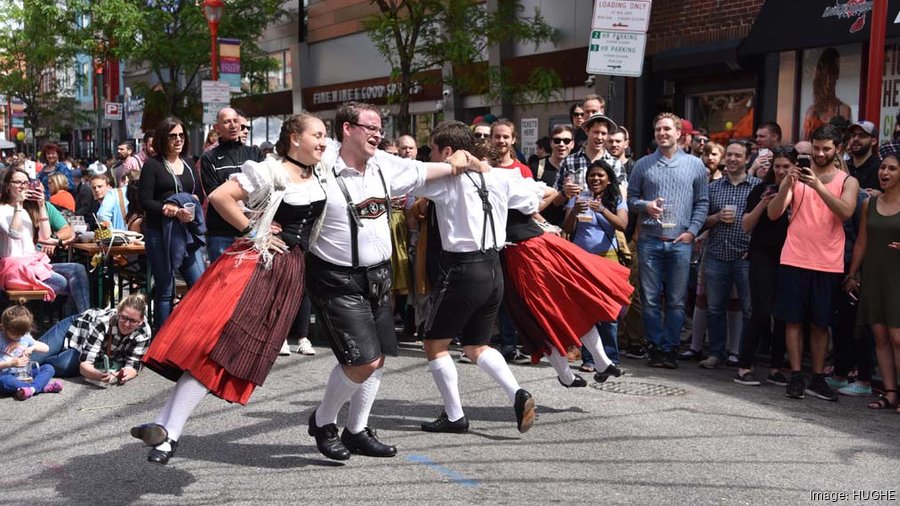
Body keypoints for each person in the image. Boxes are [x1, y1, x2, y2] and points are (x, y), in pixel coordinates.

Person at [131, 113, 330, 465]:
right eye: (317, 134)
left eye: (326, 135)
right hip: (259, 268)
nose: (323, 141)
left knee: (219, 353)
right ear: (295, 138)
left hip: (289, 272)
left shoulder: (320, 172)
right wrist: (256, 232)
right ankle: (169, 432)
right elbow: (222, 197)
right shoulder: (271, 169)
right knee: (217, 350)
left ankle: (165, 427)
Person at [304, 102, 481, 461]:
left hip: (379, 277)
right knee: (362, 361)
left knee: (379, 357)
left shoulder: (385, 165)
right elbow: (273, 190)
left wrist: (458, 163)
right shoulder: (320, 168)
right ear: (347, 130)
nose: (377, 133)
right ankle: (323, 422)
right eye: (369, 126)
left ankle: (356, 430)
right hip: (336, 278)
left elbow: (424, 170)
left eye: (379, 127)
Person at [414, 121, 542, 435]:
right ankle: (517, 393)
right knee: (476, 345)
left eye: (433, 149)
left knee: (434, 343)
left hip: (463, 268)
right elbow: (532, 200)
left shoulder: (445, 180)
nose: (431, 155)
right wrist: (483, 168)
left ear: (447, 151)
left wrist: (456, 166)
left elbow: (409, 177)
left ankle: (455, 416)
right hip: (494, 267)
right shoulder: (499, 177)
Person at [768, 125, 860, 401]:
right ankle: (796, 375)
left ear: (837, 149)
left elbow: (845, 212)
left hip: (827, 261)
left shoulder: (847, 181)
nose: (820, 154)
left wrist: (817, 185)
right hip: (794, 257)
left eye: (826, 149)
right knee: (792, 320)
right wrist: (787, 183)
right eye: (816, 148)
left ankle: (817, 378)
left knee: (821, 323)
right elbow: (774, 214)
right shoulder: (796, 177)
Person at [627, 112, 708, 369]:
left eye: (667, 129)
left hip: (681, 241)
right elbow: (630, 200)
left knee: (676, 300)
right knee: (650, 299)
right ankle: (655, 346)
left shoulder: (695, 165)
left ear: (678, 134)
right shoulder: (642, 164)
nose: (662, 133)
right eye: (658, 129)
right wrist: (645, 205)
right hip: (650, 240)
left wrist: (693, 231)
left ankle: (671, 347)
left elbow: (702, 202)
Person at [844, 153, 900, 411]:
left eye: (892, 168)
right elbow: (862, 242)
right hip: (874, 275)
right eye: (883, 168)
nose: (884, 172)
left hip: (896, 277)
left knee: (897, 337)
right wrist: (853, 274)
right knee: (879, 336)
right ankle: (890, 393)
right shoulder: (870, 203)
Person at [697, 141, 760, 370]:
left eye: (738, 155)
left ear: (746, 158)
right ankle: (716, 353)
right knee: (715, 308)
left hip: (745, 256)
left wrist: (752, 248)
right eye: (730, 155)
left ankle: (744, 355)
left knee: (749, 308)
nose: (733, 159)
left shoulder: (757, 186)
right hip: (716, 253)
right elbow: (700, 220)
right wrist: (715, 218)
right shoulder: (712, 187)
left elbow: (763, 224)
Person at [138, 117, 206, 327]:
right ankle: (162, 340)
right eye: (172, 136)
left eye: (181, 135)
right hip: (160, 233)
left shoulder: (188, 163)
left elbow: (200, 195)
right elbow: (145, 201)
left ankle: (189, 332)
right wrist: (170, 210)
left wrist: (194, 201)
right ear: (162, 139)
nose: (178, 140)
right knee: (166, 290)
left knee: (199, 285)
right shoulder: (153, 165)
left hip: (187, 233)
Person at [734, 146, 792, 386]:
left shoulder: (801, 190)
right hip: (762, 255)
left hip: (790, 256)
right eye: (776, 166)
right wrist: (762, 203)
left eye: (785, 167)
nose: (780, 171)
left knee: (783, 315)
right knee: (761, 311)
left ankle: (775, 367)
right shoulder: (760, 188)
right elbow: (746, 225)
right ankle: (745, 365)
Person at [562, 159, 630, 366]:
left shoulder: (615, 199)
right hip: (581, 260)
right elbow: (566, 227)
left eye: (600, 175)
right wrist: (574, 211)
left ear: (609, 179)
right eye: (592, 175)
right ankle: (590, 359)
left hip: (607, 259)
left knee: (608, 311)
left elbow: (622, 225)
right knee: (586, 310)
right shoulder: (577, 199)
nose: (595, 178)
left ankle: (611, 358)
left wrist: (602, 210)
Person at [0, 167, 90, 314]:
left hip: (33, 264)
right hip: (14, 268)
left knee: (78, 270)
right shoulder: (3, 209)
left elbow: (45, 236)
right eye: (17, 182)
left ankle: (84, 318)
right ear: (7, 186)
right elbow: (14, 234)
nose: (22, 186)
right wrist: (18, 205)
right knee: (71, 284)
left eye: (25, 182)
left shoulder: (28, 209)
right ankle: (83, 321)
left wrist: (41, 205)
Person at [31, 294, 151, 387]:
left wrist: (126, 374)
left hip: (86, 349)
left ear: (140, 322)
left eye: (133, 321)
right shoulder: (103, 323)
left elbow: (133, 365)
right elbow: (85, 366)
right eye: (123, 317)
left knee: (63, 366)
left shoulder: (144, 331)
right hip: (74, 327)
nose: (126, 324)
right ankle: (16, 365)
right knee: (34, 356)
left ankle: (38, 368)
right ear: (118, 312)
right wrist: (98, 376)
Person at [199, 107, 265, 263]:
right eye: (227, 122)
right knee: (222, 283)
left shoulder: (254, 153)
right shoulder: (209, 158)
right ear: (217, 128)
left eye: (236, 121)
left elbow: (265, 188)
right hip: (221, 234)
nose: (233, 125)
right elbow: (214, 195)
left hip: (254, 231)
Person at [0, 302, 64, 400]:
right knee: (4, 381)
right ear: (4, 327)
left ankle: (30, 389)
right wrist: (11, 363)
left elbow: (46, 348)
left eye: (22, 333)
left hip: (26, 374)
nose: (18, 336)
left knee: (48, 368)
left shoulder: (25, 337)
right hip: (6, 374)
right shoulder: (1, 339)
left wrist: (32, 348)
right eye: (15, 333)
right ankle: (41, 387)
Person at [802, 48, 852, 141]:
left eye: (833, 73)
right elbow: (804, 140)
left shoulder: (843, 110)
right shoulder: (812, 111)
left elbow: (846, 139)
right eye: (826, 75)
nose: (829, 81)